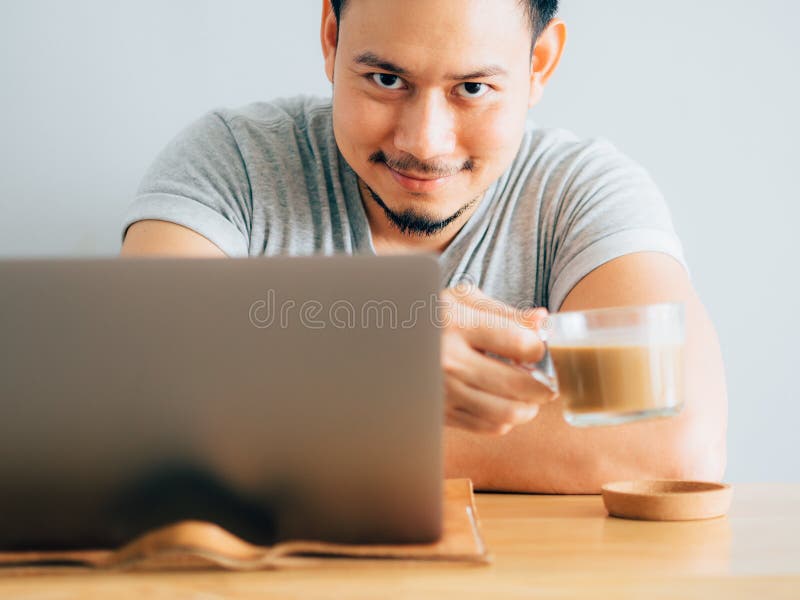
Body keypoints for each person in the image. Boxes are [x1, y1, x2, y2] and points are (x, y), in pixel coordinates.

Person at [121, 0, 727, 493]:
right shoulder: (232, 162)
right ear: (331, 38)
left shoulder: (582, 192)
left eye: (471, 88)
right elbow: (128, 396)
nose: (424, 143)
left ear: (539, 63)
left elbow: (677, 440)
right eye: (386, 80)